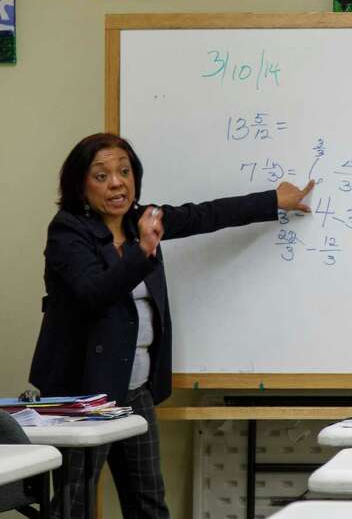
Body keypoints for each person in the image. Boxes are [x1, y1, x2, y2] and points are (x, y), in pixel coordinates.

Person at [28, 132, 313, 518]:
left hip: (135, 392)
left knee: (149, 503)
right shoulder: (67, 232)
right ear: (80, 185)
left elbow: (204, 215)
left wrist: (274, 201)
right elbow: (93, 293)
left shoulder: (139, 221)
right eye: (101, 175)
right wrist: (143, 250)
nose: (117, 183)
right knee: (73, 504)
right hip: (82, 394)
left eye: (124, 171)